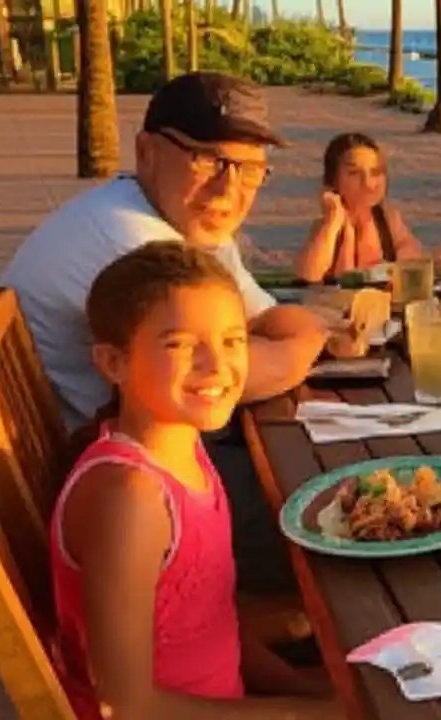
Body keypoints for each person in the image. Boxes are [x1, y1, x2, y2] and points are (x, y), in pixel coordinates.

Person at [2, 71, 325, 594]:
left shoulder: (182, 222)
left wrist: (294, 338)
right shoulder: (130, 240)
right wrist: (309, 340)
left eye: (249, 169)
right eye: (207, 159)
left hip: (161, 443)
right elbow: (241, 374)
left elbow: (264, 321)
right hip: (127, 499)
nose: (229, 187)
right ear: (146, 152)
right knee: (336, 519)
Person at [51, 242, 341, 720]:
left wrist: (313, 698)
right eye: (180, 344)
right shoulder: (129, 499)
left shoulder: (186, 450)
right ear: (113, 363)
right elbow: (125, 707)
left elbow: (212, 623)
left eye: (232, 340)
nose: (216, 365)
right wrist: (310, 714)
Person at [295, 132, 425, 282]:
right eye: (354, 173)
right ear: (334, 180)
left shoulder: (388, 221)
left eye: (376, 172)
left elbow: (414, 265)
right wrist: (332, 221)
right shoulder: (329, 226)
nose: (368, 184)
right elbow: (308, 275)